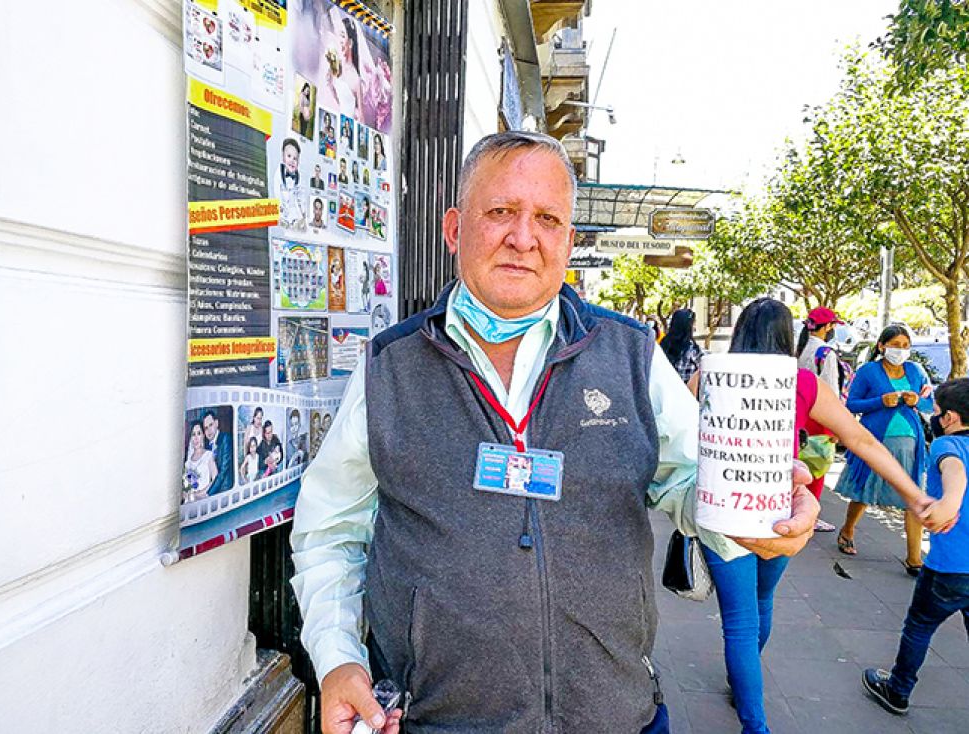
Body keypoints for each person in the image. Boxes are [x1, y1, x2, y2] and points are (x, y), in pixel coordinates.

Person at [289, 131, 821, 734]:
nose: (523, 237)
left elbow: (693, 482)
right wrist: (337, 661)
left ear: (569, 241)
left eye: (547, 218)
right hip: (435, 721)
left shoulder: (631, 356)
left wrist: (758, 512)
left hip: (617, 717)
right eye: (500, 213)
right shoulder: (389, 367)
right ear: (454, 228)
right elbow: (329, 533)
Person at [700, 298, 950, 734]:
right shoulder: (804, 383)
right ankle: (744, 690)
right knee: (762, 603)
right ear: (786, 337)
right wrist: (915, 495)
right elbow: (860, 440)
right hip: (782, 513)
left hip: (722, 513)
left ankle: (754, 723)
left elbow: (679, 436)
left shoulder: (709, 376)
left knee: (738, 621)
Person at [863, 378, 969, 716]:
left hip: (949, 568)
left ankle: (898, 689)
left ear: (950, 417)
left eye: (935, 411)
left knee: (919, 626)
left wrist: (949, 503)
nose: (933, 417)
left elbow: (955, 474)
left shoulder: (947, 446)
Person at [835, 325, 933, 572]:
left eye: (905, 346)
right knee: (865, 491)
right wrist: (880, 401)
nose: (900, 350)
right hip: (875, 442)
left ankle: (914, 558)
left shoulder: (915, 371)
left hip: (910, 444)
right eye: (896, 345)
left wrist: (917, 401)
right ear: (881, 346)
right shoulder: (869, 371)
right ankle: (847, 530)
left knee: (913, 497)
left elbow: (930, 404)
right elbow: (852, 404)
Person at [796, 306, 845, 533]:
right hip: (819, 415)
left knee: (801, 461)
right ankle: (811, 515)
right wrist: (837, 425)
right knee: (818, 466)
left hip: (800, 412)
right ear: (827, 327)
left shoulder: (800, 349)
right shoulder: (826, 353)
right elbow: (831, 390)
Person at [659, 308, 702, 396]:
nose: (694, 327)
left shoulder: (663, 344)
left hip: (664, 396)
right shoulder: (692, 350)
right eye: (694, 323)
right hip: (685, 399)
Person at [183, 420, 217, 501]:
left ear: (203, 435)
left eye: (199, 433)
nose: (196, 438)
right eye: (193, 434)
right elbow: (186, 486)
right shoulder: (188, 461)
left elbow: (216, 479)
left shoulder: (208, 455)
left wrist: (200, 493)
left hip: (204, 501)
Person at [202, 409, 232, 495]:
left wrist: (208, 494)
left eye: (210, 425)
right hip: (212, 488)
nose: (209, 431)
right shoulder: (206, 445)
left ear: (216, 423)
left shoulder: (225, 439)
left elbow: (223, 471)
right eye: (206, 428)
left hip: (224, 490)